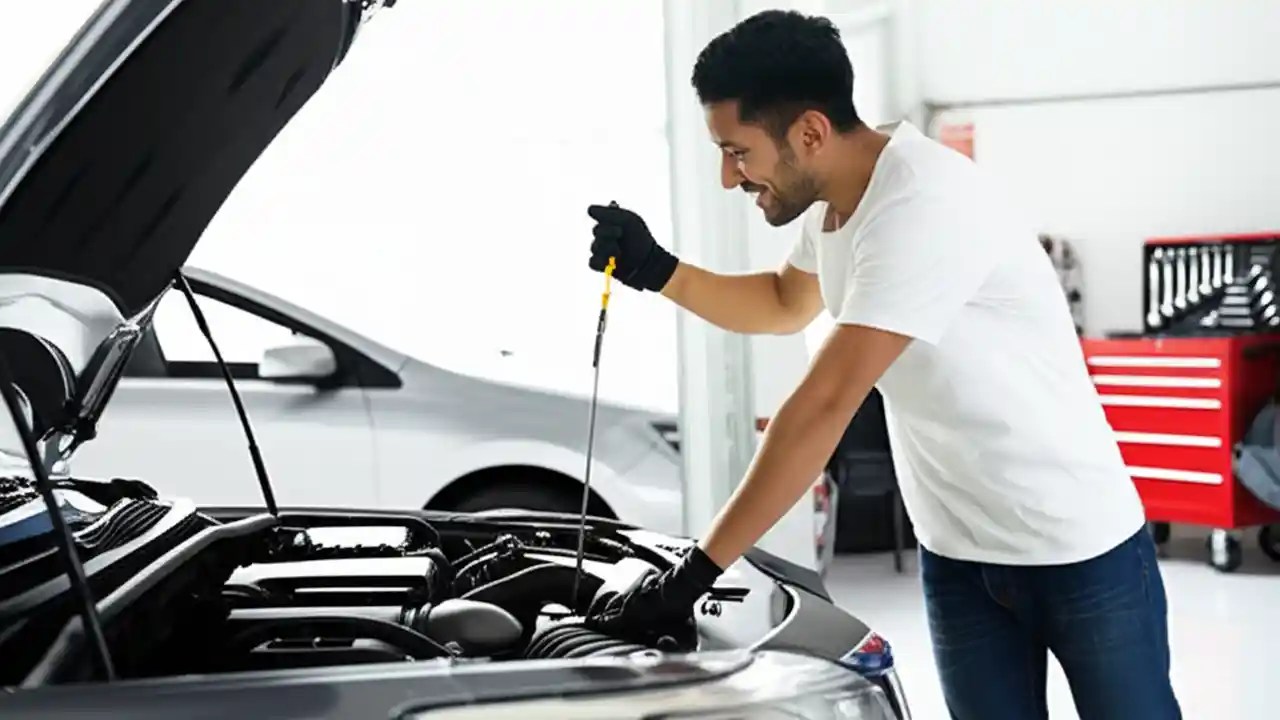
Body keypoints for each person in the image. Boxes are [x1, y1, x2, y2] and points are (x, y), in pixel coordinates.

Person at [581, 9, 1181, 720]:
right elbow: (781, 302)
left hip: (1077, 546)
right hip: (958, 552)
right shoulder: (839, 202)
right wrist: (659, 270)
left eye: (737, 152)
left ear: (808, 132)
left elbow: (823, 407)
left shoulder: (920, 205)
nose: (726, 176)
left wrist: (689, 578)